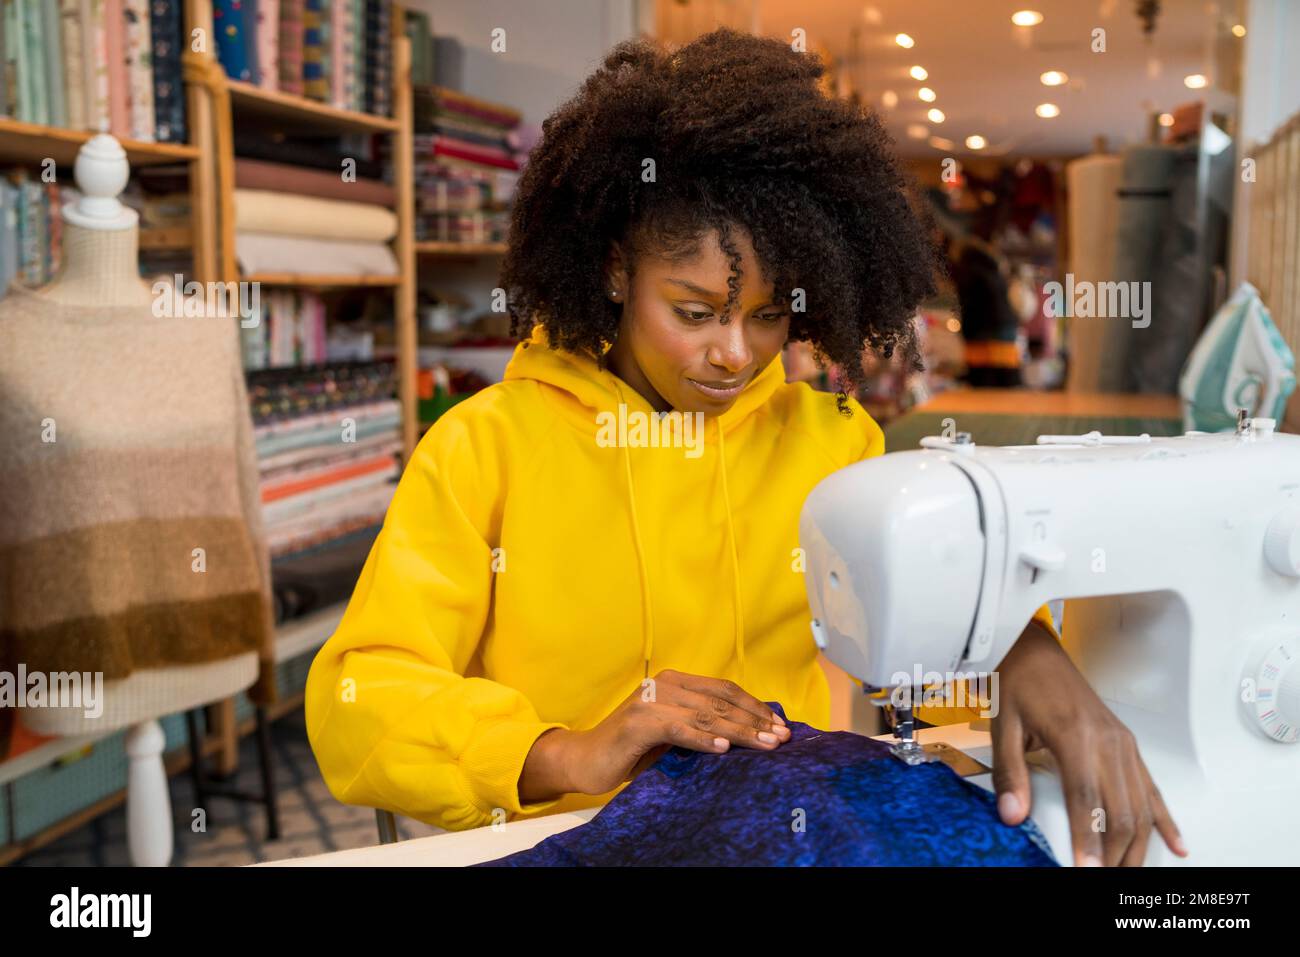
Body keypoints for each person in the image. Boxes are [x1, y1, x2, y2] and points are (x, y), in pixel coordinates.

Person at [305, 28, 1186, 867]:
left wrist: (1025, 653)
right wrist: (566, 751)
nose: (734, 351)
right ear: (616, 270)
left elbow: (935, 633)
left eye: (769, 315)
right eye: (694, 312)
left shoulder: (831, 446)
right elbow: (361, 697)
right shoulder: (484, 447)